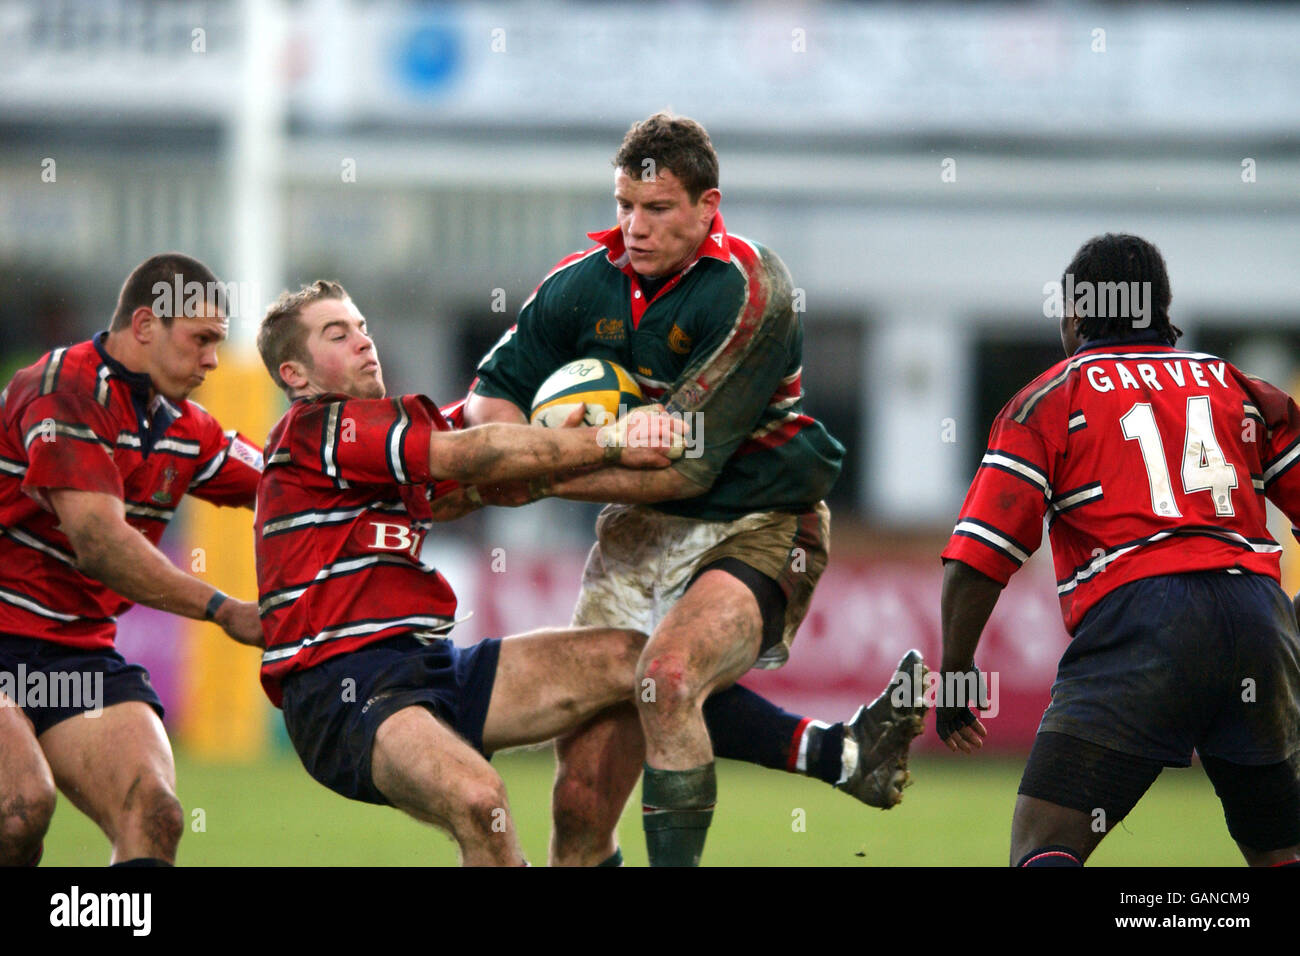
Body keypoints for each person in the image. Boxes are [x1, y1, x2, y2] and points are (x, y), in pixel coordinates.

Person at [253, 281, 924, 866]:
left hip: (420, 668)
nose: (364, 341)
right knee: (481, 802)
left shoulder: (386, 437)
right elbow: (478, 453)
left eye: (363, 327)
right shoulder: (315, 430)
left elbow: (492, 451)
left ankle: (841, 756)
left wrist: (560, 425)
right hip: (342, 689)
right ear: (298, 376)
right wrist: (611, 439)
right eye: (337, 334)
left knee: (641, 664)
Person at [464, 112, 924, 867]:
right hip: (637, 532)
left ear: (708, 207)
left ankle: (832, 760)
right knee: (579, 809)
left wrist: (531, 471)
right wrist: (513, 447)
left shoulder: (752, 290)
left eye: (657, 209)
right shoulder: (580, 286)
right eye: (623, 206)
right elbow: (489, 398)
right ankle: (842, 756)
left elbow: (686, 467)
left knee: (669, 677)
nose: (633, 227)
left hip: (757, 522)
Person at [937, 233, 1300, 867]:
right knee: (1277, 849)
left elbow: (979, 557)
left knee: (1044, 842)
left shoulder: (1051, 399)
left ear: (1075, 315)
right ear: (1163, 311)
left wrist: (956, 668)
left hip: (1145, 618)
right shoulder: (1234, 385)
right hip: (1258, 616)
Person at [0, 253, 265, 867]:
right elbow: (99, 543)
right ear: (146, 325)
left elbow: (290, 480)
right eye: (201, 339)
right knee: (19, 807)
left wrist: (429, 477)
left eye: (218, 344)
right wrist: (223, 610)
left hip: (73, 655)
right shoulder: (63, 387)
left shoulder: (184, 428)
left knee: (155, 814)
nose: (213, 361)